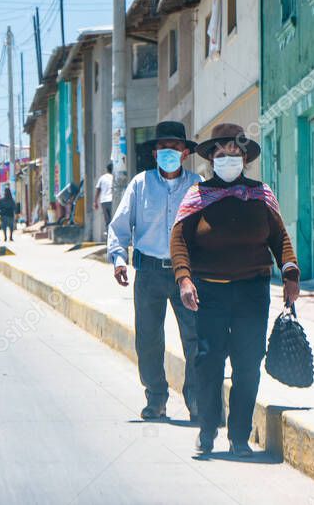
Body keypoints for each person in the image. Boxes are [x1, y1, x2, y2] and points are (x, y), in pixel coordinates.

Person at [170, 123, 301, 457]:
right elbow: (179, 240)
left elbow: (280, 238)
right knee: (208, 361)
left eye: (234, 153)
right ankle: (208, 428)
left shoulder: (260, 194)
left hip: (251, 292)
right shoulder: (197, 196)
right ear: (211, 158)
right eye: (221, 153)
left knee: (247, 363)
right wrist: (184, 279)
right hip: (208, 293)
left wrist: (290, 274)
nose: (228, 158)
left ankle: (240, 436)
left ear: (244, 158)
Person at [107, 121, 202, 421]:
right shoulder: (140, 184)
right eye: (162, 148)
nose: (167, 153)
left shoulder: (197, 185)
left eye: (174, 148)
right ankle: (156, 398)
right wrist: (119, 258)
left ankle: (197, 401)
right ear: (155, 152)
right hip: (148, 273)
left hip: (187, 275)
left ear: (185, 153)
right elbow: (120, 226)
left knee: (197, 338)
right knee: (148, 339)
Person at [94, 163, 114, 237]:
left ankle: (109, 235)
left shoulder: (102, 178)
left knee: (107, 220)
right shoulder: (114, 177)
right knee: (113, 219)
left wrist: (95, 202)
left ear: (107, 169)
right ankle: (112, 236)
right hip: (112, 201)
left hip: (104, 201)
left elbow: (98, 190)